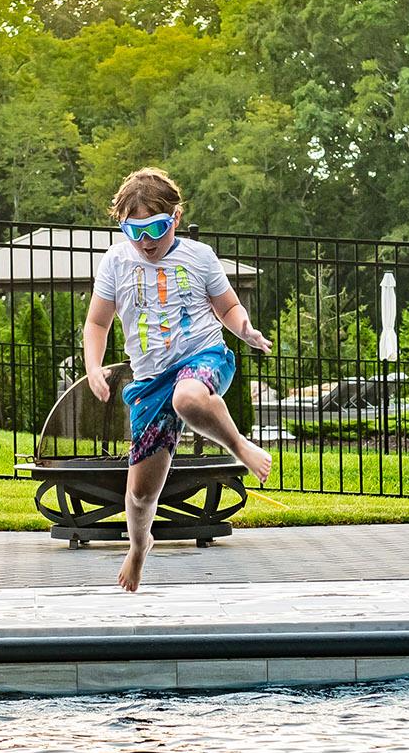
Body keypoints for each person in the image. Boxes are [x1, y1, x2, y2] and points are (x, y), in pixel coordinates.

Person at [83, 167, 273, 591]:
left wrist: (246, 330)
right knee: (140, 495)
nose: (146, 240)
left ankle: (239, 445)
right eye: (135, 230)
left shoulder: (199, 257)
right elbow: (97, 323)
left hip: (203, 356)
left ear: (176, 217)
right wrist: (93, 367)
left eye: (155, 227)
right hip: (150, 379)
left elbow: (227, 308)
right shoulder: (116, 261)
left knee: (188, 398)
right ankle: (138, 547)